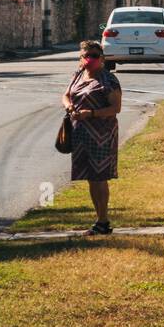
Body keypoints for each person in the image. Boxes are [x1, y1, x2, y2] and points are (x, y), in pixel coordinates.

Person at [62, 40, 123, 234]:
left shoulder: (109, 80)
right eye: (86, 56)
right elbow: (66, 95)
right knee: (90, 178)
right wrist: (69, 106)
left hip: (102, 135)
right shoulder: (77, 75)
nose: (90, 59)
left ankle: (103, 221)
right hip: (80, 135)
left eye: (94, 56)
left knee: (99, 177)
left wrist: (91, 113)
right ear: (80, 59)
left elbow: (116, 108)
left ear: (102, 59)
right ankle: (99, 221)